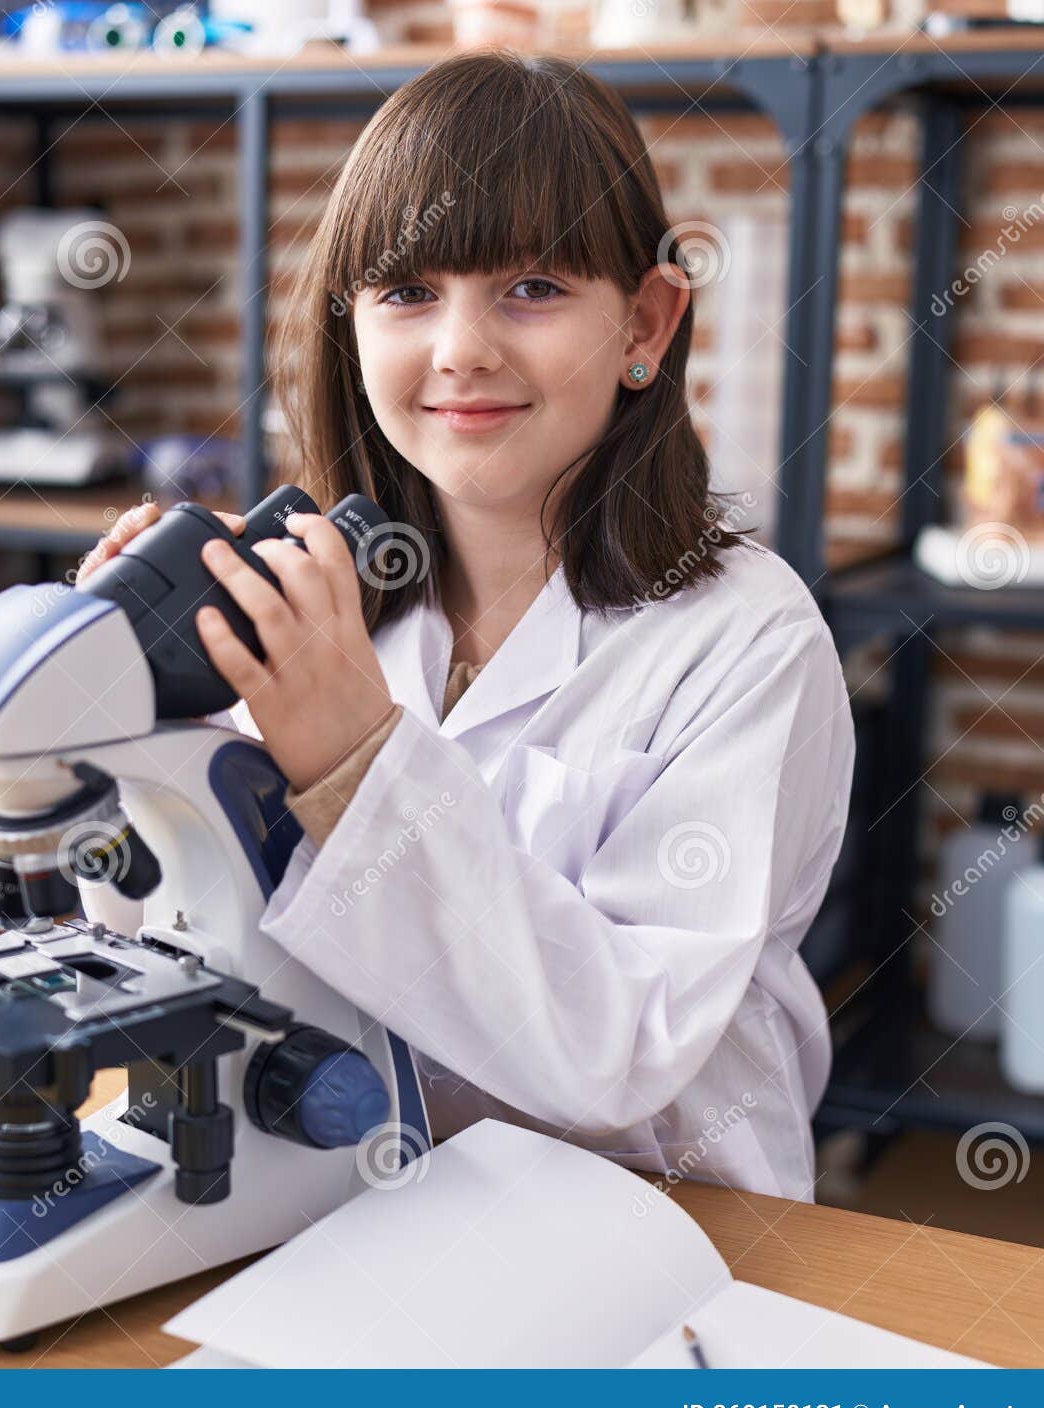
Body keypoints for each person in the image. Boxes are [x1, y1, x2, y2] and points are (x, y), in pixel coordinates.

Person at [77, 51, 853, 1202]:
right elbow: (179, 943)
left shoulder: (747, 640)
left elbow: (620, 1051)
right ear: (350, 325)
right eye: (406, 292)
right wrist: (139, 728)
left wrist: (354, 760)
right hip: (354, 1201)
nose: (462, 348)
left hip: (670, 1228)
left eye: (531, 287)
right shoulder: (309, 605)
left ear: (646, 321)